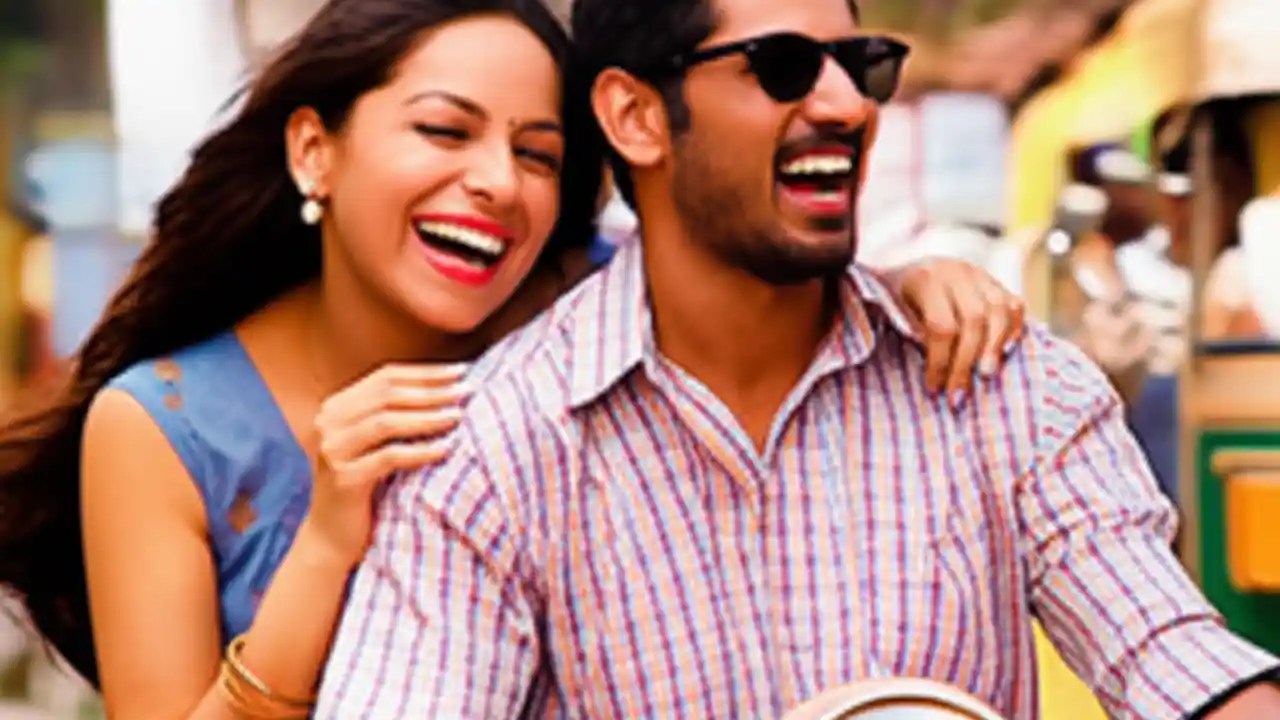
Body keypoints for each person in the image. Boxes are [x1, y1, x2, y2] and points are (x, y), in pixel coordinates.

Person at [0, 0, 1024, 718]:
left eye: (536, 154)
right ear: (315, 149)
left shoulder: (578, 340)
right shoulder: (161, 427)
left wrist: (904, 288)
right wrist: (323, 545)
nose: (495, 182)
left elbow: (755, 278)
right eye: (444, 130)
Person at [315, 0, 1280, 717]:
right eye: (781, 66)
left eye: (860, 64)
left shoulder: (1003, 384)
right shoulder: (488, 455)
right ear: (636, 117)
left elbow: (1170, 656)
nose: (846, 104)